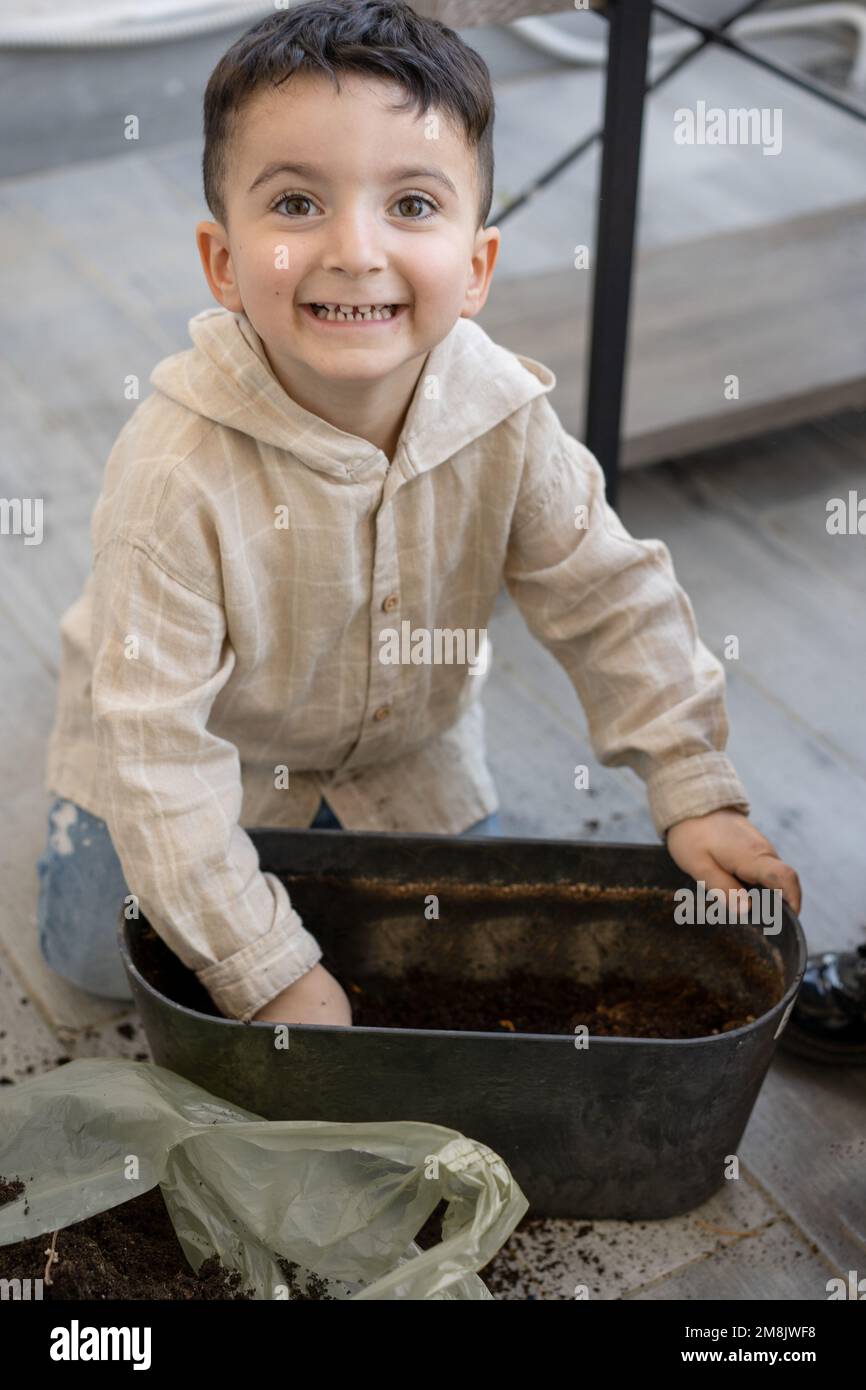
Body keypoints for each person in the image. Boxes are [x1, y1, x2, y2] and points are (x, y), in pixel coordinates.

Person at [38, 0, 800, 1032]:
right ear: (222, 263)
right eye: (298, 203)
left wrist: (690, 779)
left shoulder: (501, 415)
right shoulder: (176, 471)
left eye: (410, 204)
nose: (354, 250)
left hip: (399, 751)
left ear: (476, 266)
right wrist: (263, 970)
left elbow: (607, 591)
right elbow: (157, 750)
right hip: (198, 744)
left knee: (445, 948)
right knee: (98, 959)